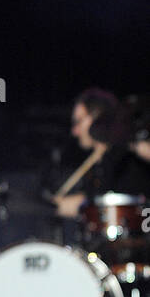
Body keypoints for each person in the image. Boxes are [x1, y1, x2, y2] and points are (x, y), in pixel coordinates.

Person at [53, 88, 149, 218]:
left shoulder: (130, 155)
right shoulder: (93, 164)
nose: (74, 131)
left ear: (99, 117)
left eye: (78, 121)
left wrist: (84, 204)